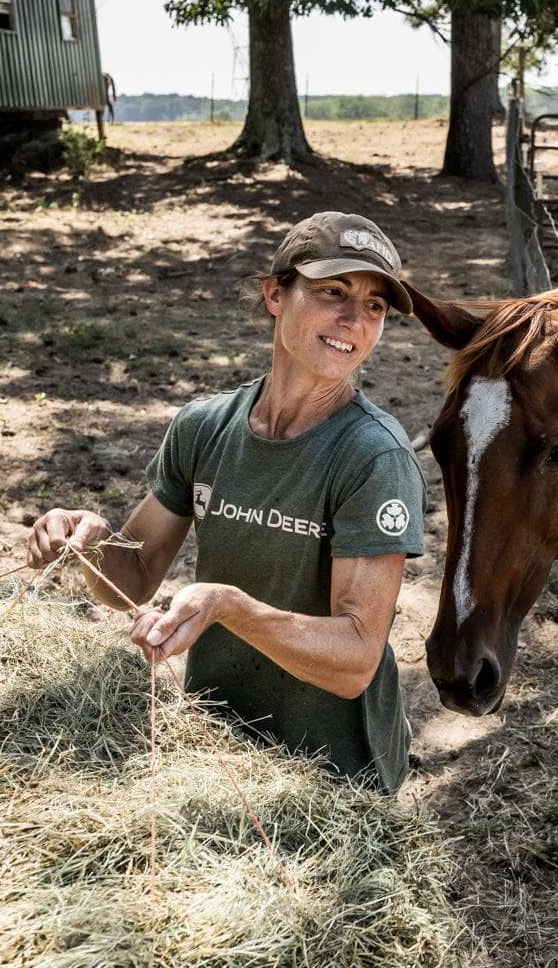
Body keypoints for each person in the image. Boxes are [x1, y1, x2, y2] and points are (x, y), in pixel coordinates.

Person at [28, 212, 425, 793]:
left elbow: (357, 658)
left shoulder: (373, 457)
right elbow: (135, 576)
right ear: (274, 295)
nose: (352, 320)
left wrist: (230, 607)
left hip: (334, 781)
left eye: (374, 306)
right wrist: (87, 543)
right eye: (332, 292)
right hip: (219, 748)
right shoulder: (204, 427)